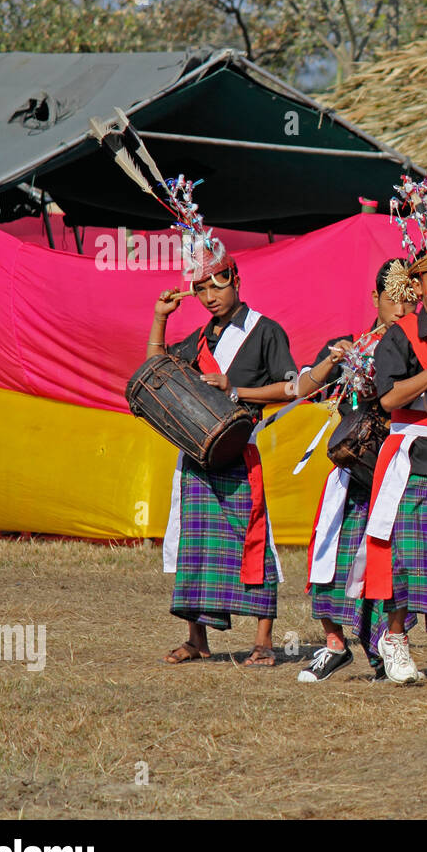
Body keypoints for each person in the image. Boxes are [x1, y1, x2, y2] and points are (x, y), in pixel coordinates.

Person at [151, 258, 297, 666]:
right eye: (201, 290)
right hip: (199, 454)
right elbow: (158, 370)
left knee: (253, 544)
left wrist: (236, 388)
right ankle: (197, 639)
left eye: (217, 286)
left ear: (236, 280)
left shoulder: (265, 331)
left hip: (239, 451)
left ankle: (264, 642)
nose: (209, 297)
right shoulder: (199, 338)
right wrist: (160, 320)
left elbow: (291, 387)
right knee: (195, 546)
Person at [294, 258, 416, 682]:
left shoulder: (418, 350)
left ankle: (386, 651)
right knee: (331, 555)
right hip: (352, 469)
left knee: (386, 564)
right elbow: (303, 387)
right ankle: (333, 643)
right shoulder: (350, 345)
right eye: (392, 300)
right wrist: (334, 362)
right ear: (375, 299)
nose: (401, 310)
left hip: (396, 472)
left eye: (409, 301)